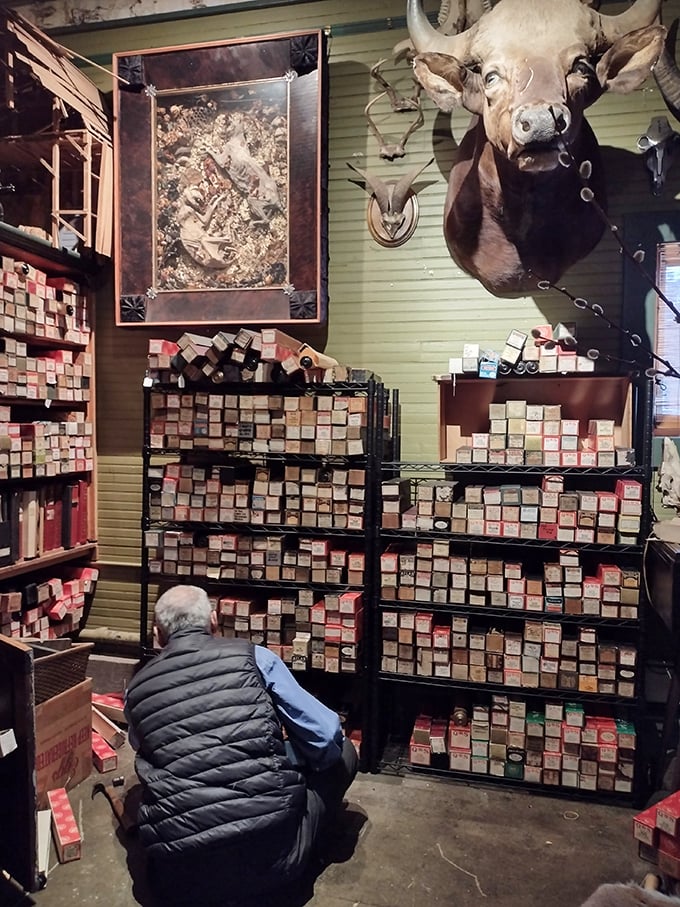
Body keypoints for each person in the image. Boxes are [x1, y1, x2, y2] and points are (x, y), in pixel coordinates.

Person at [124, 584, 359, 907]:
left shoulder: (136, 688)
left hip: (177, 882)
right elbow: (325, 733)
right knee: (343, 753)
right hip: (273, 863)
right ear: (215, 621)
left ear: (157, 634)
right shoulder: (254, 658)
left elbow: (144, 747)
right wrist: (296, 762)